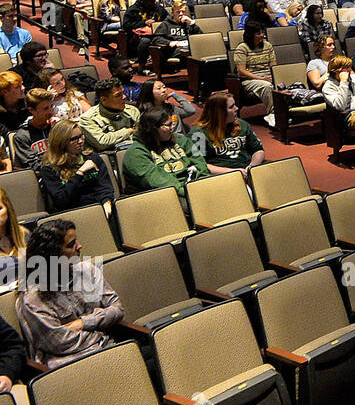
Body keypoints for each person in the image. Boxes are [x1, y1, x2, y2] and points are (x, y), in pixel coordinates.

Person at [16, 218, 123, 368]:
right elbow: (60, 342)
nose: (80, 246)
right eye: (71, 245)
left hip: (108, 350)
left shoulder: (88, 271)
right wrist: (100, 332)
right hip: (71, 365)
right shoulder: (33, 297)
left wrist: (84, 322)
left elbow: (117, 309)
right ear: (53, 255)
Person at [122, 107, 210, 200]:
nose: (172, 128)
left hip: (191, 188)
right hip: (160, 197)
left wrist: (203, 186)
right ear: (152, 129)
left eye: (172, 123)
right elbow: (160, 182)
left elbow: (201, 164)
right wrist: (192, 193)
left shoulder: (181, 140)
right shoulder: (136, 154)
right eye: (168, 125)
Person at [37, 121, 114, 216]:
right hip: (71, 214)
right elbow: (62, 200)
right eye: (74, 139)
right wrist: (80, 173)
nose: (80, 141)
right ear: (61, 143)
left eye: (81, 136)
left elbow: (105, 187)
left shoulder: (93, 158)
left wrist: (106, 202)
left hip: (99, 208)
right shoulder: (49, 170)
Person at [194, 91, 265, 178]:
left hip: (247, 170)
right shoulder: (198, 133)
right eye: (231, 107)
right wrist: (233, 172)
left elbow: (258, 150)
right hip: (221, 176)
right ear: (219, 112)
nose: (237, 108)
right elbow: (198, 164)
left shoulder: (242, 124)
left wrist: (251, 167)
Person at [232, 24, 277, 129]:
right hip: (249, 80)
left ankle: (288, 112)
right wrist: (261, 78)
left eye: (262, 32)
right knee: (267, 86)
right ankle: (273, 115)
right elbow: (241, 71)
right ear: (250, 35)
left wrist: (275, 76)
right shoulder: (242, 48)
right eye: (258, 33)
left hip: (268, 76)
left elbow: (273, 66)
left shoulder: (268, 46)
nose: (262, 35)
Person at [78, 77, 139, 151]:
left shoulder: (132, 111)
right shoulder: (87, 119)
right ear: (103, 99)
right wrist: (128, 131)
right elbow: (102, 142)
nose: (124, 97)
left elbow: (142, 134)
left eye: (123, 93)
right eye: (118, 95)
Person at [11, 88, 55, 170]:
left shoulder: (56, 127)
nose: (51, 111)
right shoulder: (22, 136)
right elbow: (34, 166)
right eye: (45, 108)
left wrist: (61, 130)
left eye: (51, 106)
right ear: (32, 110)